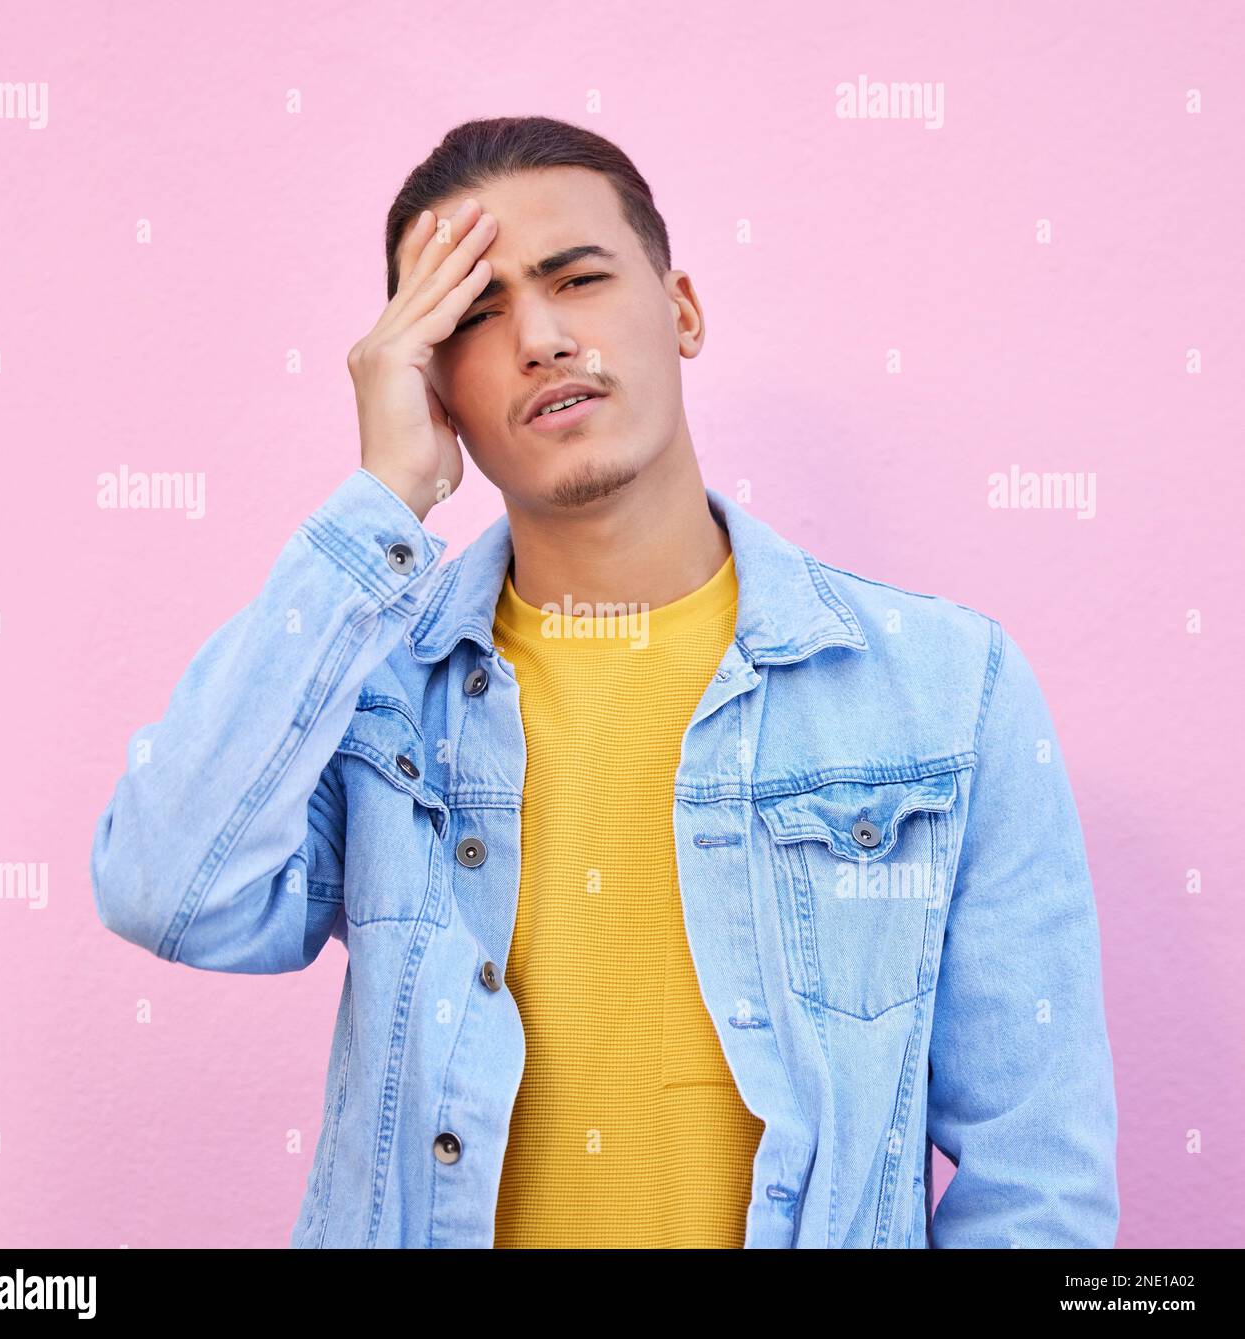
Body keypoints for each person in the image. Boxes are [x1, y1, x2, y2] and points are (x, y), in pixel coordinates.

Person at [90, 115, 1120, 1249]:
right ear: (431, 382)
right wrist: (383, 498)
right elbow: (165, 887)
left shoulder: (942, 688)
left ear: (681, 309)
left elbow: (1037, 1177)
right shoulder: (381, 690)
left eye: (576, 278)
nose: (537, 338)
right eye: (471, 315)